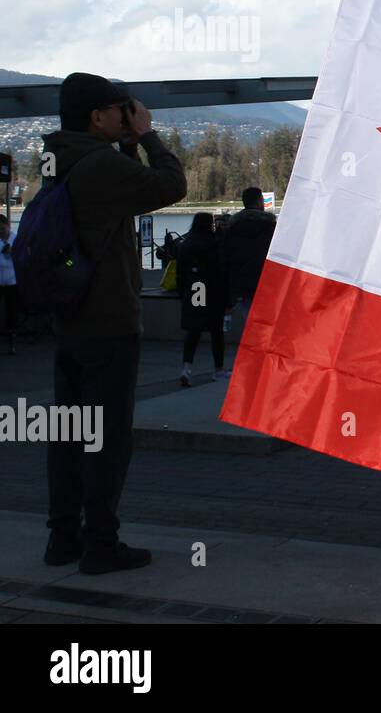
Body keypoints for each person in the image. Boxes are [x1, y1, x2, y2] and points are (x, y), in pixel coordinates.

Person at [42, 73, 187, 574]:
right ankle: (101, 544)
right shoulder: (99, 165)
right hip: (108, 323)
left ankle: (62, 539)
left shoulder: (57, 159)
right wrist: (147, 135)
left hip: (69, 319)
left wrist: (124, 145)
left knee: (68, 433)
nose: (126, 116)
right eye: (117, 110)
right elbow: (172, 185)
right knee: (107, 438)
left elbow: (118, 200)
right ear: (97, 117)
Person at [175, 212, 229, 385]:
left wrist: (182, 293)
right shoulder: (214, 244)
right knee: (216, 332)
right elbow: (221, 271)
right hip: (213, 292)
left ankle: (186, 368)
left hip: (195, 291)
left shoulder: (186, 245)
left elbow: (180, 274)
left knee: (193, 332)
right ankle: (218, 369)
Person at [224, 186, 277, 327]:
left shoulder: (232, 228)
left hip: (241, 285)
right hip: (265, 283)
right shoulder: (270, 227)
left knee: (251, 324)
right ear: (260, 202)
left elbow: (226, 258)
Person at [0, 214, 17, 355]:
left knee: (12, 312)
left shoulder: (16, 239)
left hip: (12, 282)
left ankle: (12, 341)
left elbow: (24, 257)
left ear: (8, 226)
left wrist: (13, 253)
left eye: (2, 228)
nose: (1, 231)